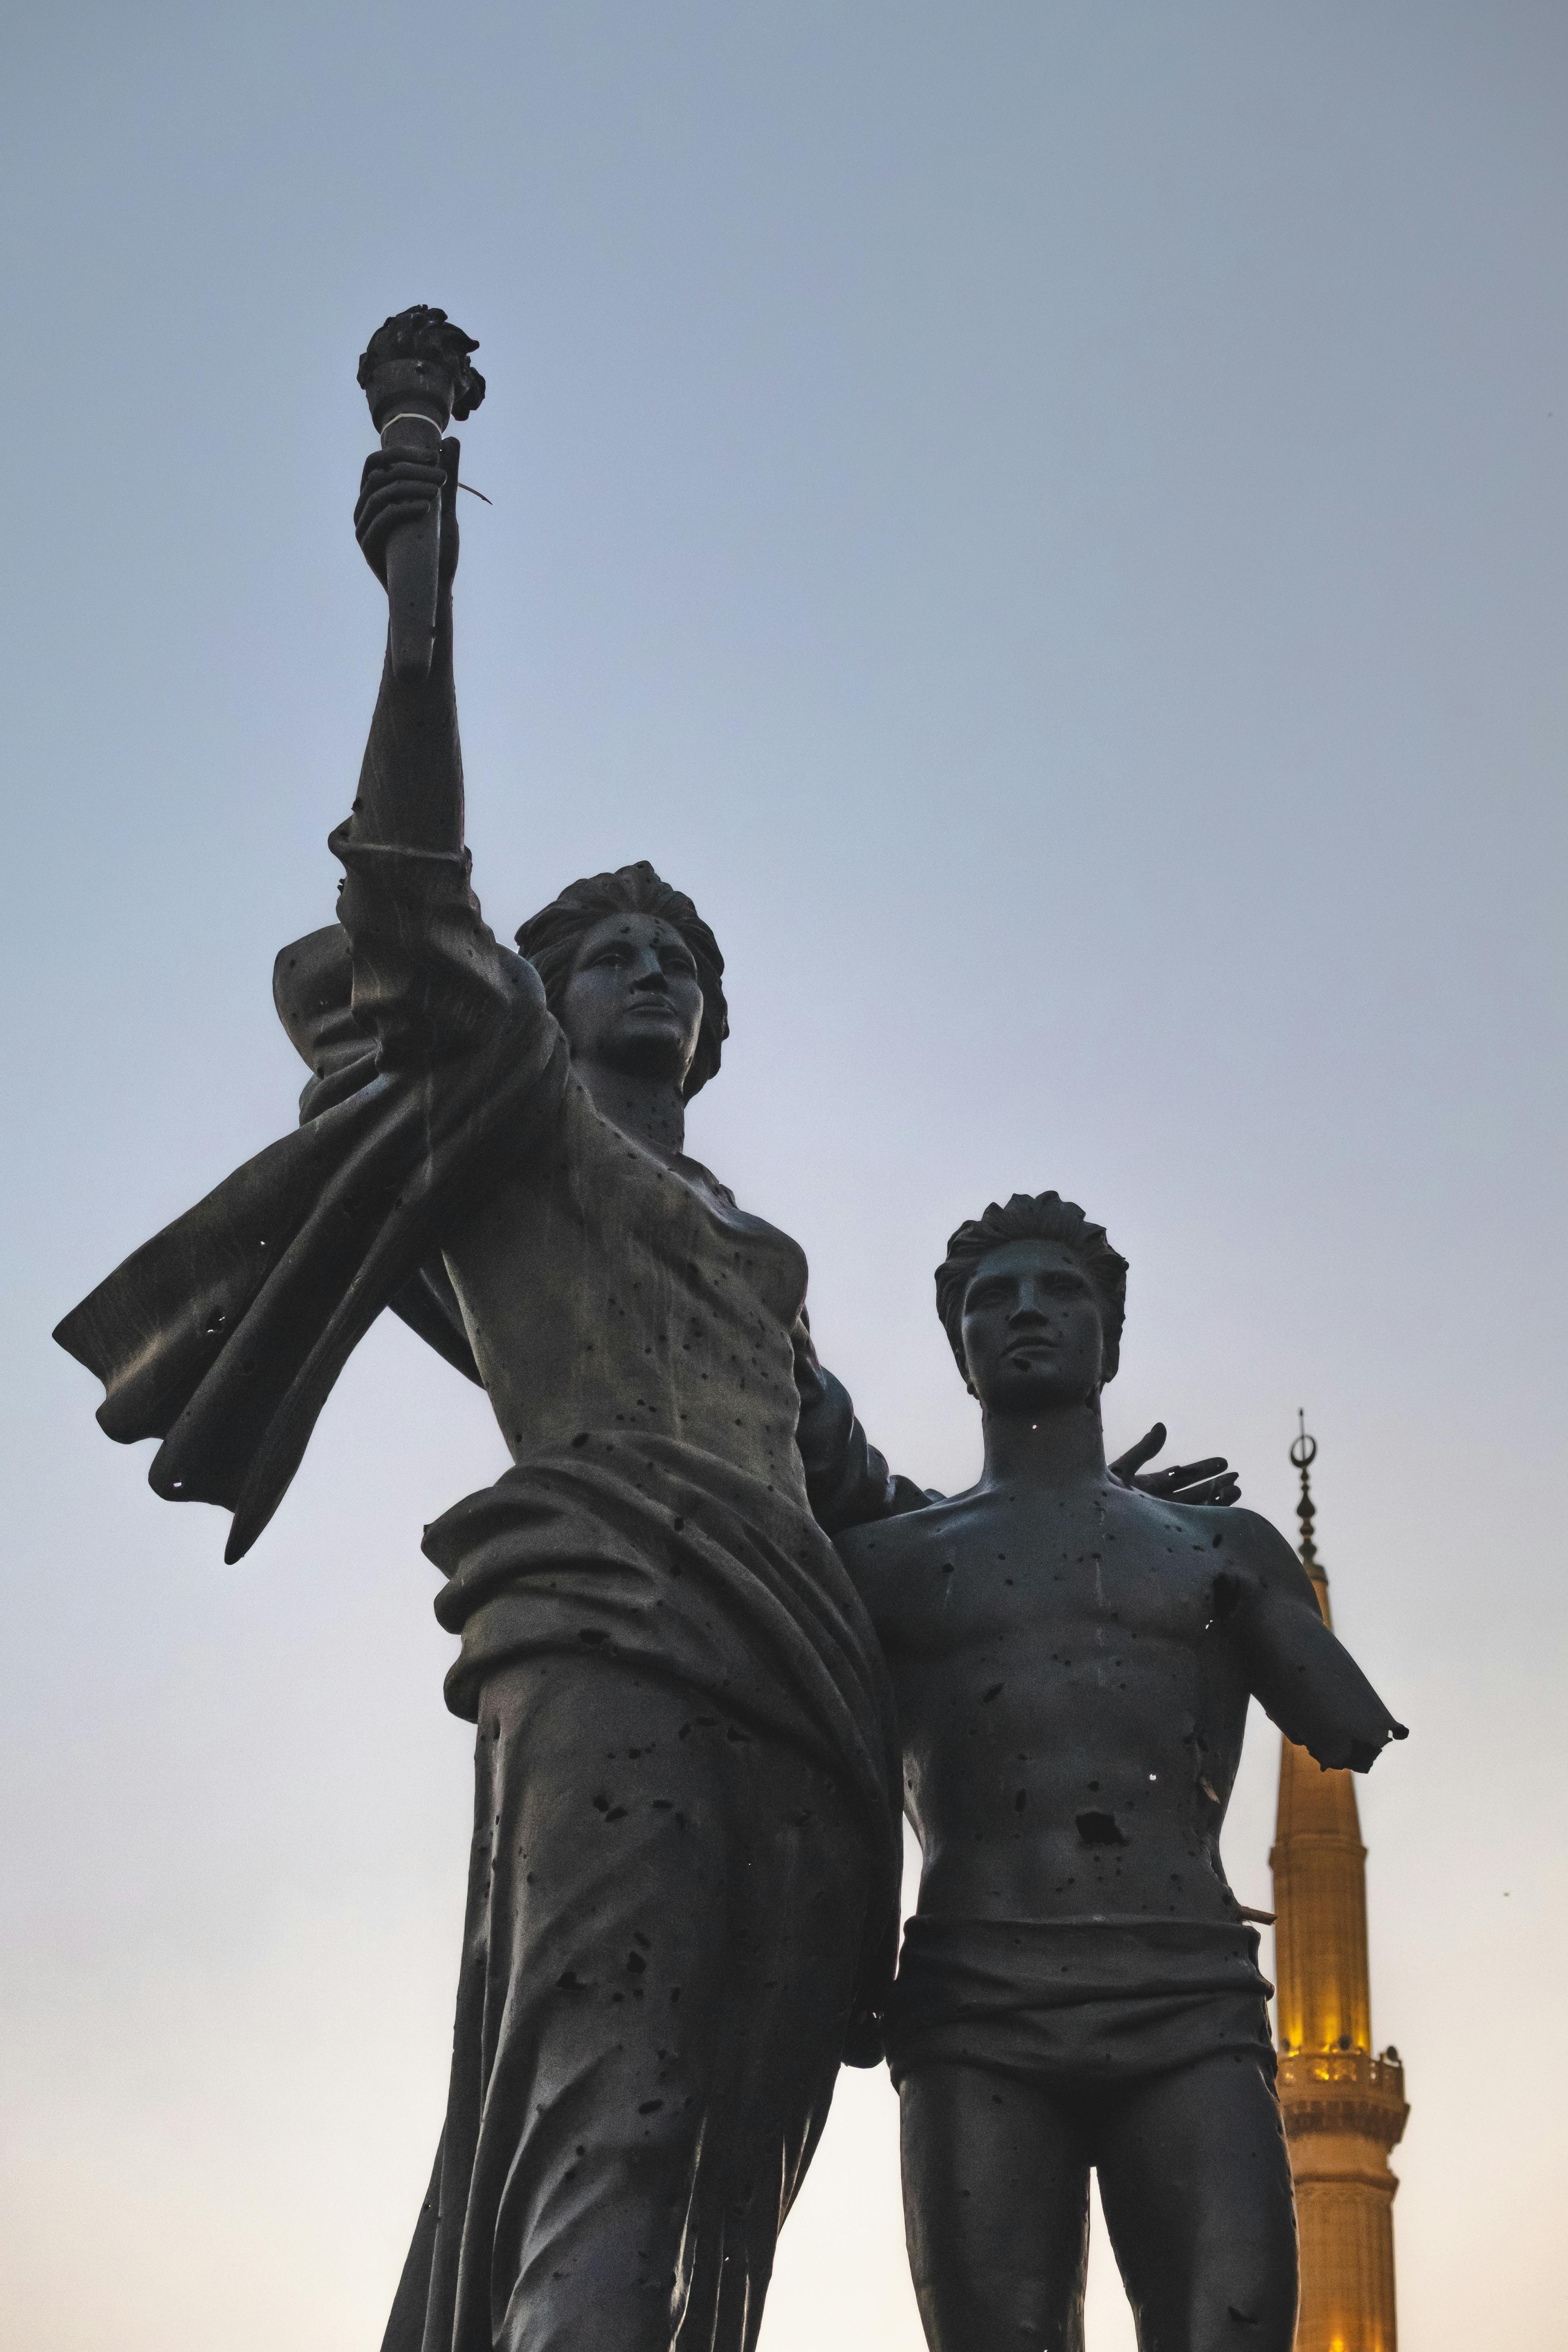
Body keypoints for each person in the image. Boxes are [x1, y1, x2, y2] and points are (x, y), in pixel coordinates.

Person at [55, 434, 1234, 2352]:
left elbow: (882, 1511)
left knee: (717, 2197)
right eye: (608, 948)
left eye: (677, 955)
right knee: (614, 2127)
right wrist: (419, 605)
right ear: (540, 989)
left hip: (809, 1714)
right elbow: (407, 881)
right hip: (620, 1638)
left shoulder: (758, 1276)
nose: (648, 970)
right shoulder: (512, 1114)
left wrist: (1085, 1518)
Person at [835, 1191, 1407, 2352]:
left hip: (1186, 1993)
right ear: (960, 1347)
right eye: (993, 1299)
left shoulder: (1218, 1550)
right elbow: (833, 1808)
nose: (1027, 1313)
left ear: (1111, 1336)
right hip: (973, 2000)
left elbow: (1340, 1720)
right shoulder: (886, 1568)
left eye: (1060, 1292)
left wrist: (1243, 1587)